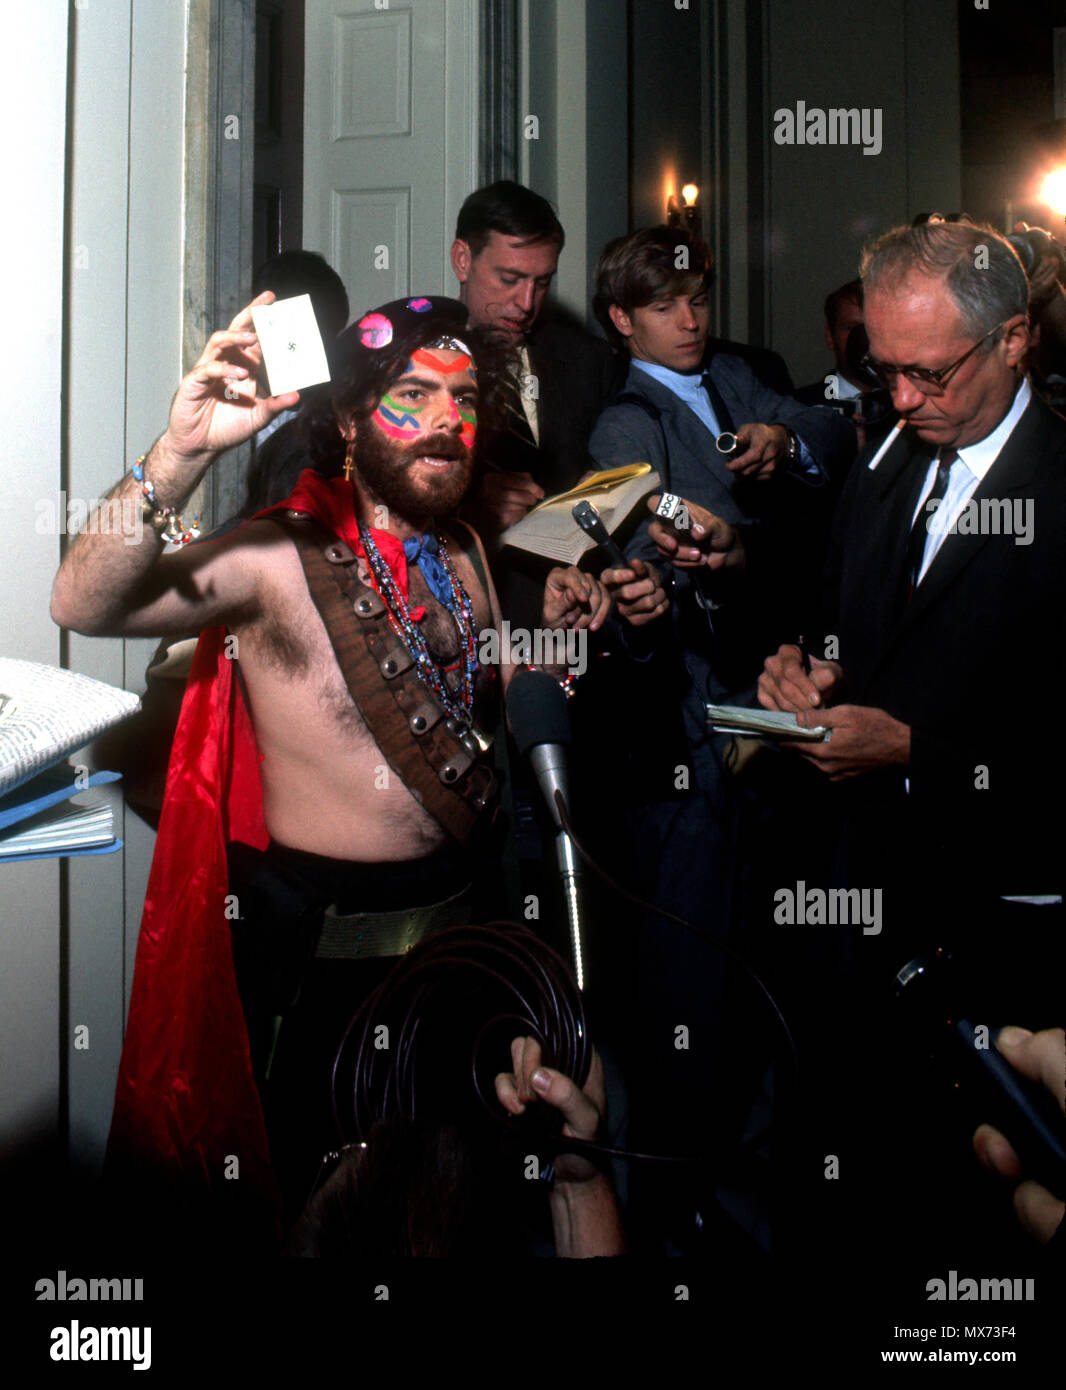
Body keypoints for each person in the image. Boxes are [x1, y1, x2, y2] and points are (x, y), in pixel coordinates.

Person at [50, 292, 615, 1243]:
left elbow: (477, 677)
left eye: (466, 400)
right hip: (327, 992)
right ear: (350, 420)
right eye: (414, 397)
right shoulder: (275, 559)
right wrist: (182, 454)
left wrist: (567, 635)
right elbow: (84, 601)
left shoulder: (464, 546)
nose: (447, 423)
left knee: (476, 1224)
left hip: (469, 962)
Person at [757, 217, 1066, 1274]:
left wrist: (911, 754)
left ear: (1016, 338)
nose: (898, 401)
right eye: (880, 371)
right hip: (863, 924)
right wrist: (809, 664)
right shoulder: (888, 458)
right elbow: (848, 616)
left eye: (928, 374)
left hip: (1009, 945)